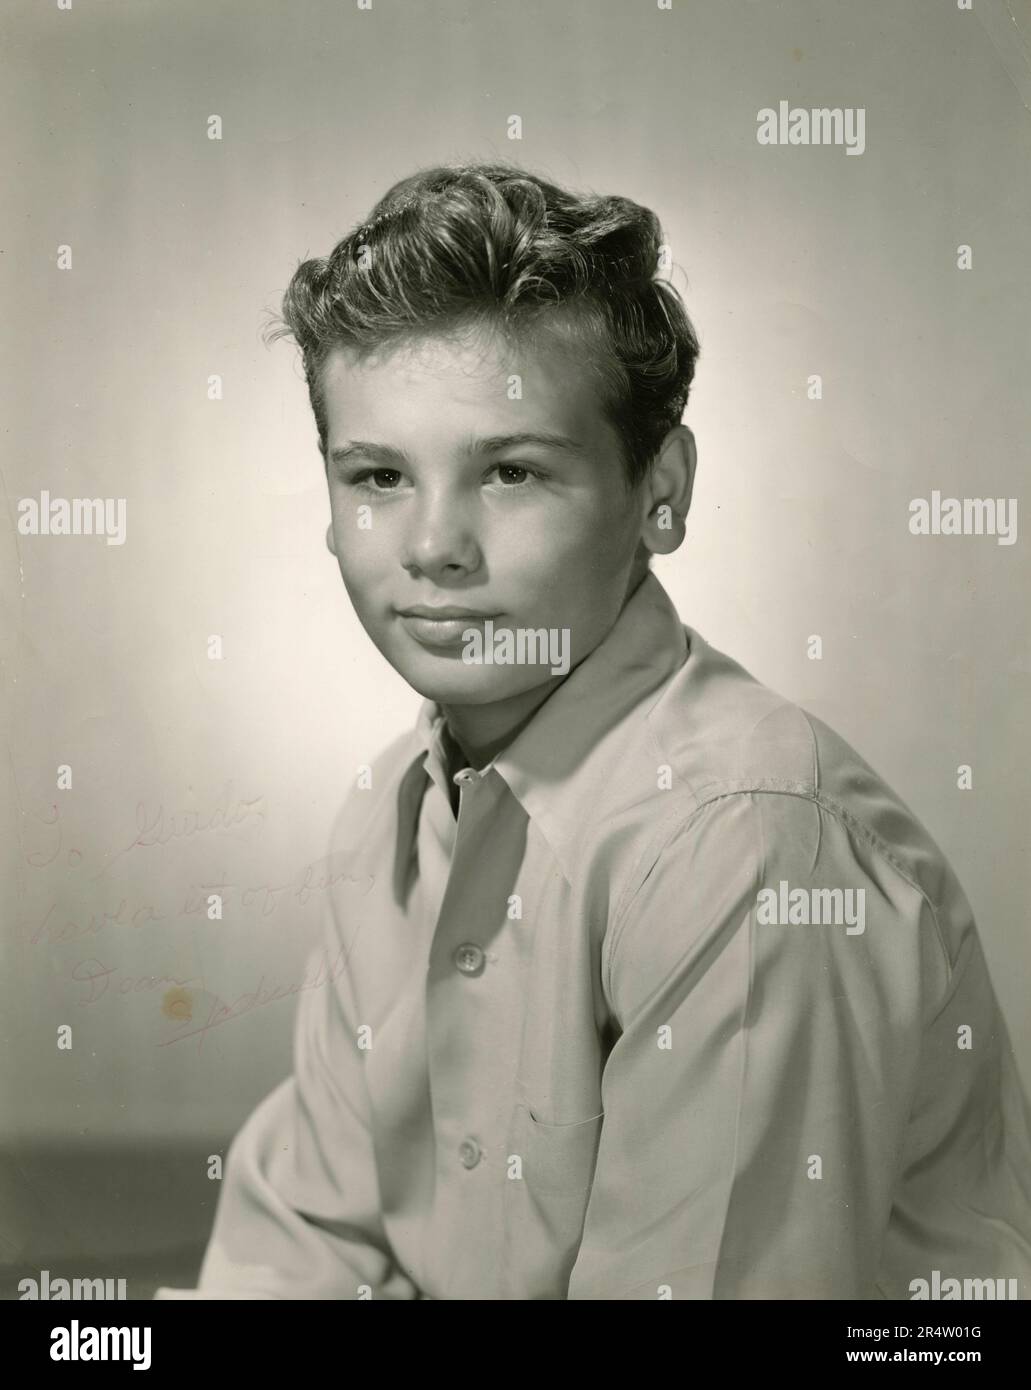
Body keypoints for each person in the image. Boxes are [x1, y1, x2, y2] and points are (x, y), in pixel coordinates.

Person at [157, 161, 1031, 1300]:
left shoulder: (744, 845)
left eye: (511, 471)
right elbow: (304, 1248)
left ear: (659, 491)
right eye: (377, 476)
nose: (433, 546)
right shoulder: (391, 812)